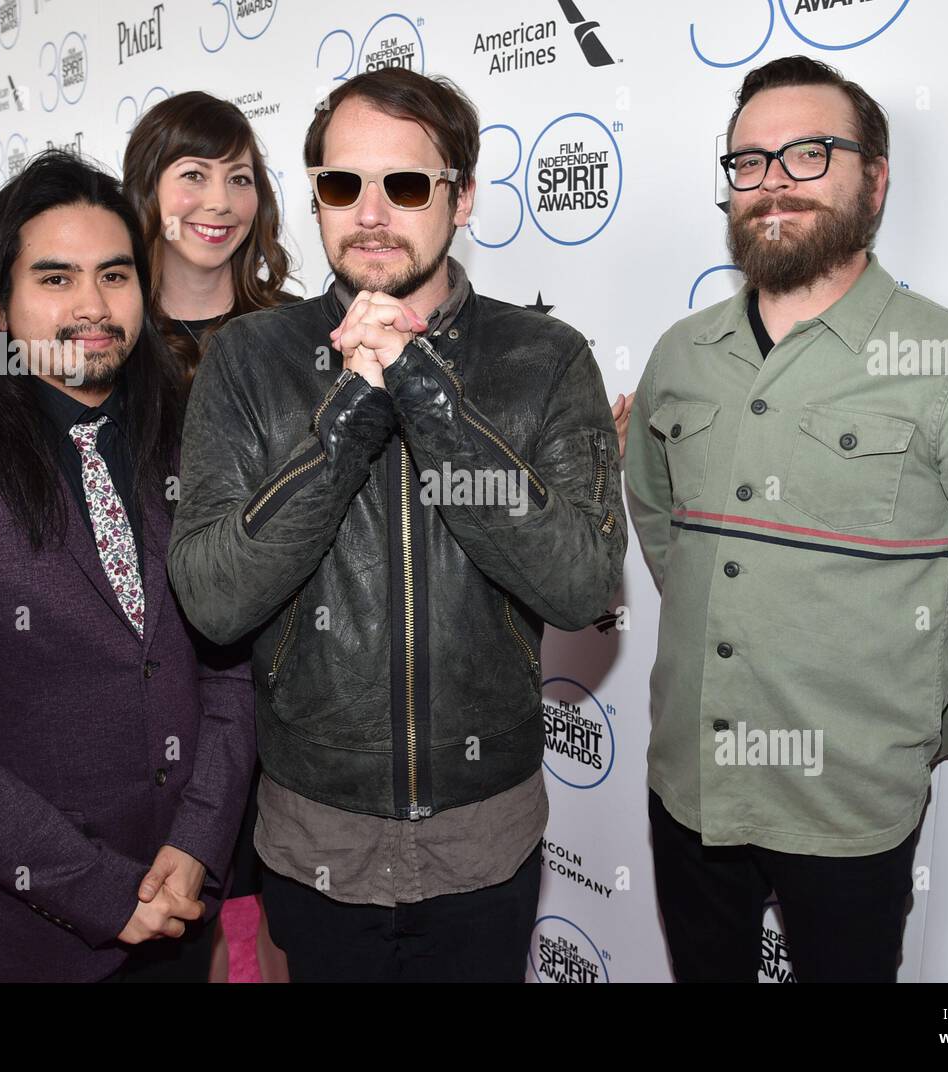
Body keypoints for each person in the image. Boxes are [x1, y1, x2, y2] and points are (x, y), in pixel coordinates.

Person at [624, 54, 948, 983]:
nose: (773, 182)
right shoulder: (683, 354)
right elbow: (658, 516)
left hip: (847, 817)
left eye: (809, 154)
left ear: (874, 182)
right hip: (687, 786)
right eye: (750, 161)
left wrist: (914, 726)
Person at [168, 68, 627, 983]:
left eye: (407, 185)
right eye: (343, 185)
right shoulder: (250, 358)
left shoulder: (544, 357)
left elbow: (580, 587)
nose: (371, 213)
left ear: (462, 198)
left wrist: (421, 386)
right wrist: (350, 415)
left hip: (485, 836)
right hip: (314, 834)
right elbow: (215, 599)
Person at [0, 149, 255, 982]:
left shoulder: (194, 446)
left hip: (189, 896)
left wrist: (197, 843)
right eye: (55, 279)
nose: (93, 306)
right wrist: (108, 894)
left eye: (115, 275)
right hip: (41, 931)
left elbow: (232, 670)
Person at [123, 89, 296, 983]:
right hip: (158, 665)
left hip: (292, 656)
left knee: (294, 908)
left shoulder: (299, 331)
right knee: (187, 915)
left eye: (240, 178)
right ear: (148, 190)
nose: (220, 202)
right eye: (193, 175)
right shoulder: (109, 339)